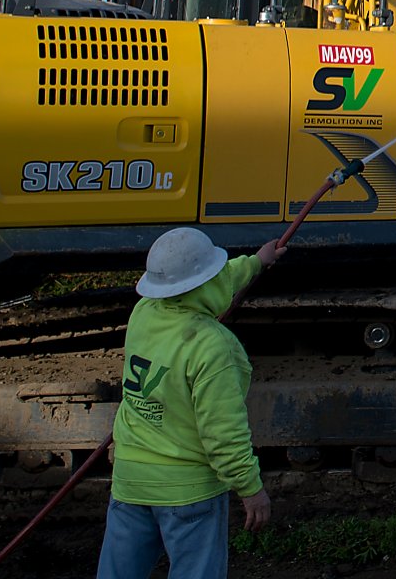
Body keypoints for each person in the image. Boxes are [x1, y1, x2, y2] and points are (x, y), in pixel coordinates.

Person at [96, 228, 285, 579]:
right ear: (205, 282)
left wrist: (258, 262)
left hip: (131, 481)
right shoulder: (212, 346)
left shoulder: (143, 312)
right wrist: (251, 489)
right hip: (188, 493)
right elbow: (223, 433)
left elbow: (212, 278)